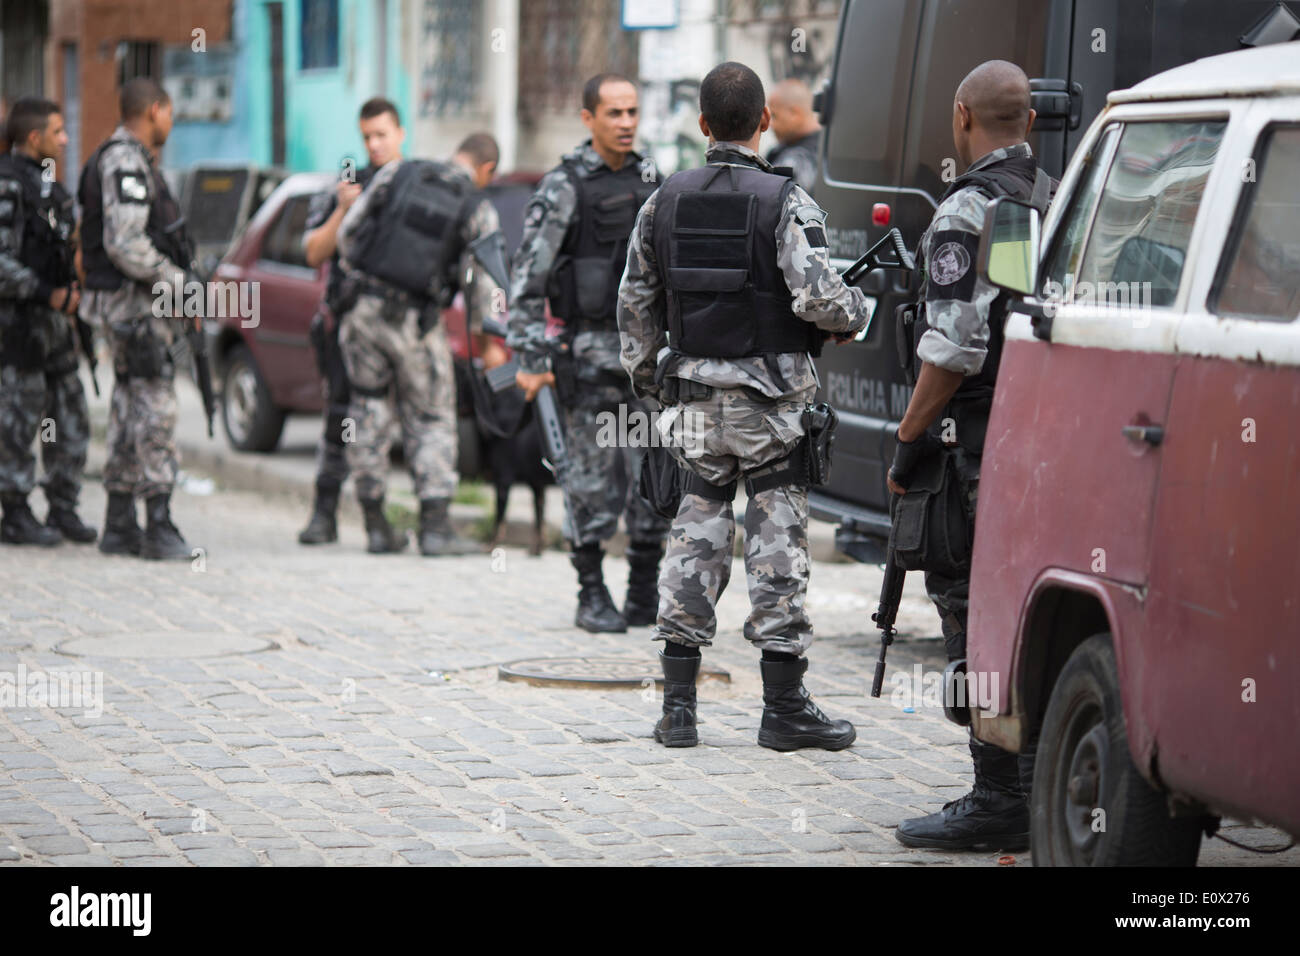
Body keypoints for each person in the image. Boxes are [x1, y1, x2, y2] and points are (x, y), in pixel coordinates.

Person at [618, 62, 871, 751]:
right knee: (777, 550)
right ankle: (784, 711)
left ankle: (677, 711)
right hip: (771, 408)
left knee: (694, 542)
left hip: (696, 407)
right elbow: (822, 301)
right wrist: (858, 310)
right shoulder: (785, 201)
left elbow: (634, 307)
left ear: (702, 125)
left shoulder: (662, 201)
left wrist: (652, 384)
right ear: (763, 122)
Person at [887, 60, 1055, 849]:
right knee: (1028, 612)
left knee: (970, 607)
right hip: (1046, 439)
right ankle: (1029, 788)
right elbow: (1018, 312)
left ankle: (998, 798)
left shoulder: (968, 207)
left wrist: (909, 438)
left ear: (963, 116)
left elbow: (955, 348)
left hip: (980, 446)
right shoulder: (1048, 195)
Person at [508, 72, 670, 634]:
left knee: (655, 480)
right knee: (592, 483)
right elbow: (527, 282)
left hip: (651, 364)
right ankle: (591, 592)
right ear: (589, 118)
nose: (626, 123)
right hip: (592, 360)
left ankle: (643, 593)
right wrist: (529, 360)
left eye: (632, 112)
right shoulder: (564, 186)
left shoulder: (655, 177)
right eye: (614, 113)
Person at [334, 116, 505, 556]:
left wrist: (365, 278)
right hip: (415, 323)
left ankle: (375, 524)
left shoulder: (399, 171)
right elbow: (487, 287)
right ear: (487, 170)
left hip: (362, 311)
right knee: (431, 417)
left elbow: (349, 234)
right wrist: (490, 344)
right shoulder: (476, 205)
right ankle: (434, 527)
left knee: (366, 410)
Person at [79, 78, 197, 560]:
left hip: (130, 307)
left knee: (129, 407)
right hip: (135, 307)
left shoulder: (130, 160)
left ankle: (120, 522)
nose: (172, 121)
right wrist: (181, 285)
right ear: (155, 110)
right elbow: (124, 244)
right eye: (169, 113)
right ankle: (159, 524)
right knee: (155, 408)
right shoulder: (125, 159)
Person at [297, 98, 396, 545]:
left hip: (403, 327)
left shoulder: (415, 184)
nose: (374, 144)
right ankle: (324, 514)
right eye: (367, 136)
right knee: (341, 418)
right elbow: (314, 252)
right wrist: (343, 210)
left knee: (400, 421)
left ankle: (386, 521)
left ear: (400, 134)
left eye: (382, 135)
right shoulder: (348, 183)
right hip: (347, 322)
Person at [0, 97, 93, 546]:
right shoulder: (7, 184)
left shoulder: (51, 186)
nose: (66, 139)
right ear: (34, 138)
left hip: (55, 328)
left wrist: (71, 290)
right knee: (18, 422)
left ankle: (63, 506)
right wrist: (44, 291)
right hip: (16, 328)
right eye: (58, 131)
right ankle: (15, 511)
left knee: (70, 414)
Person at [765, 78, 822, 192]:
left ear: (794, 113)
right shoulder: (826, 150)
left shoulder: (796, 160)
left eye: (775, 116)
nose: (771, 125)